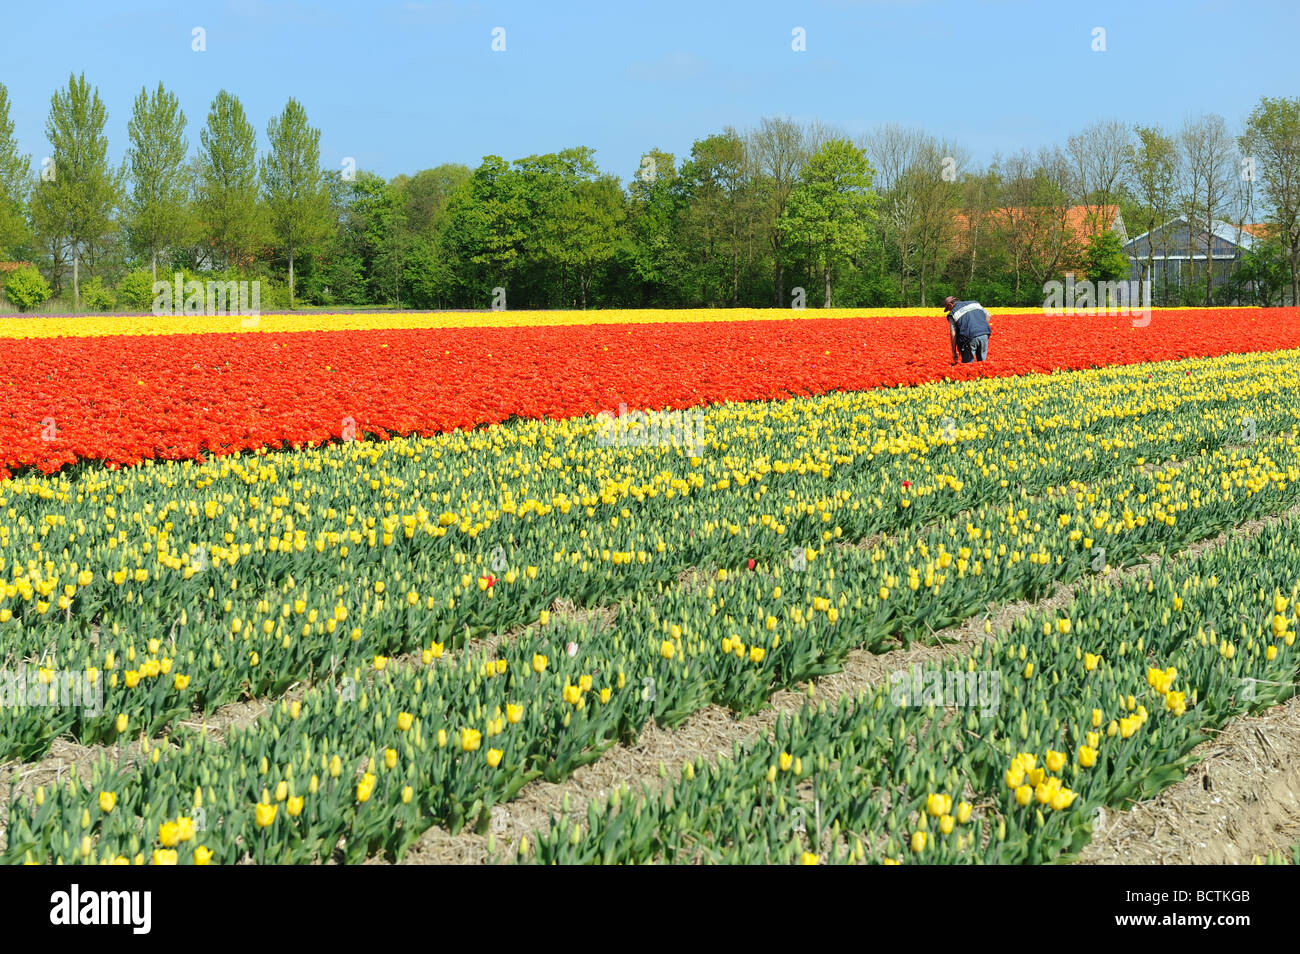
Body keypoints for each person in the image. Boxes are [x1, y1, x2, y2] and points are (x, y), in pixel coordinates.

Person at [943, 295, 991, 363]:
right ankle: (982, 373)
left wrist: (954, 352)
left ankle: (970, 373)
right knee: (982, 364)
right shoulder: (974, 303)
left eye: (948, 309)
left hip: (968, 337)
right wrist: (981, 325)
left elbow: (953, 333)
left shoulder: (952, 314)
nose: (949, 311)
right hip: (984, 334)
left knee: (968, 365)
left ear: (950, 305)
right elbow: (988, 315)